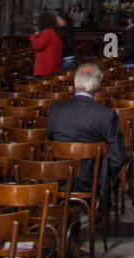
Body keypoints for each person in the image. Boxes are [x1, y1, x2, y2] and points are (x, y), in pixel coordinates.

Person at [47, 63, 128, 214]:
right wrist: (103, 173)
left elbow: (47, 147)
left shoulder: (55, 110)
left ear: (75, 83)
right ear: (97, 86)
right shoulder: (105, 115)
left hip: (60, 180)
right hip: (92, 181)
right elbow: (118, 156)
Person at [30, 11, 63, 78]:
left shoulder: (47, 32)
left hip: (44, 68)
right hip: (53, 67)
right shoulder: (56, 32)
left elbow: (38, 46)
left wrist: (33, 36)